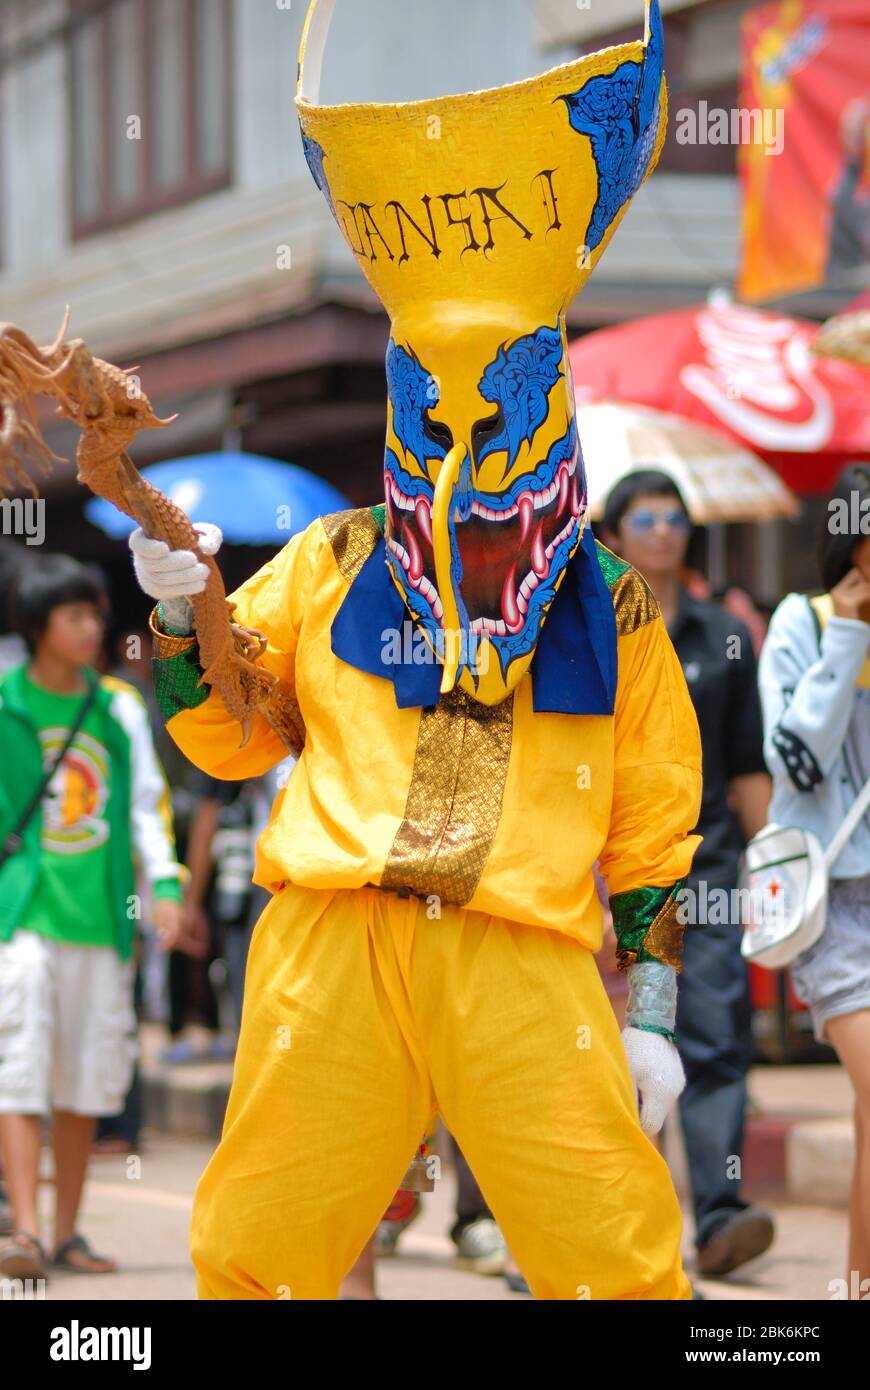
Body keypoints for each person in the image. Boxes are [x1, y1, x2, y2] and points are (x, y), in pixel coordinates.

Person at [128, 0, 703, 1301]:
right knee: (257, 1255)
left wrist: (656, 1013)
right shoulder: (329, 562)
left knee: (614, 1263)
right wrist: (180, 616)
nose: (455, 435)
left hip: (521, 953)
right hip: (336, 935)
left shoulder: (606, 601)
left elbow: (656, 824)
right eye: (428, 403)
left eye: (492, 393)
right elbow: (229, 728)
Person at [600, 470, 775, 1277]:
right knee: (600, 1053)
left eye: (676, 518)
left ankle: (717, 1215)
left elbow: (746, 765)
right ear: (615, 532)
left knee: (711, 1040)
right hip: (603, 877)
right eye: (646, 517)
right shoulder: (584, 631)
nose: (664, 531)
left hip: (705, 873)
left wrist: (773, 868)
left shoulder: (722, 635)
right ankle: (605, 1232)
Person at [0, 555, 186, 1279]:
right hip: (22, 919)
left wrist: (165, 885)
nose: (90, 628)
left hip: (103, 920)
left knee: (84, 1081)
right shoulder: (5, 702)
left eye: (94, 613)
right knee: (18, 1071)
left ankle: (67, 1233)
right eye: (73, 614)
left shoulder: (119, 707)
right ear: (38, 624)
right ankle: (26, 1230)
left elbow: (145, 805)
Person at [758, 463, 870, 1296]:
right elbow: (795, 758)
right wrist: (850, 638)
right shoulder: (801, 623)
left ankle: (856, 1283)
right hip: (834, 903)